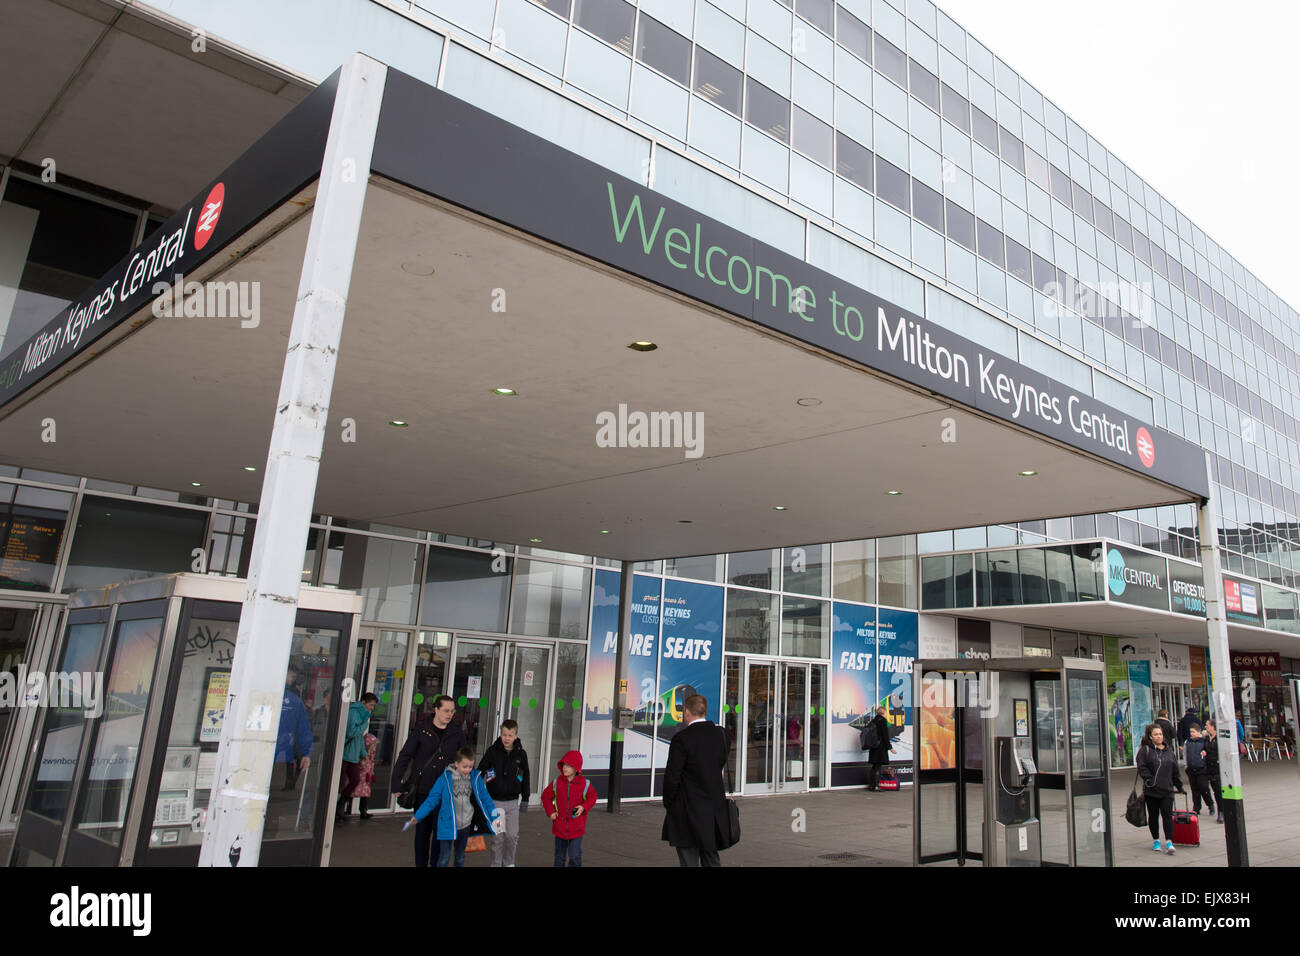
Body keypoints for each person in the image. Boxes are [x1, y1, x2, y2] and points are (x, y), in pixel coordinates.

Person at [392, 695, 465, 867]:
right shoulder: (422, 730)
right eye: (446, 710)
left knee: (440, 833)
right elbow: (405, 756)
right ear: (436, 710)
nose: (449, 714)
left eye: (452, 711)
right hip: (423, 791)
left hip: (446, 791)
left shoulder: (456, 733)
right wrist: (397, 784)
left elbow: (464, 759)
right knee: (422, 833)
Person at [661, 693, 731, 867]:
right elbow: (718, 764)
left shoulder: (681, 739)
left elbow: (672, 777)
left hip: (687, 810)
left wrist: (669, 803)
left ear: (686, 712)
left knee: (688, 858)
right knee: (711, 857)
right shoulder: (722, 735)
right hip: (714, 809)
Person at [402, 747, 499, 867]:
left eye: (470, 766)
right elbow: (431, 800)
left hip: (465, 825)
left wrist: (494, 814)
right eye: (464, 766)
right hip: (447, 825)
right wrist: (418, 816)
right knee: (444, 857)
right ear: (456, 764)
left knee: (460, 857)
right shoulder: (444, 779)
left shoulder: (475, 778)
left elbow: (485, 798)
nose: (467, 770)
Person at [478, 718, 531, 867]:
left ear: (516, 736)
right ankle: (495, 864)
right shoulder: (492, 751)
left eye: (510, 735)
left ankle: (509, 863)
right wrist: (475, 789)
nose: (506, 738)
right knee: (497, 837)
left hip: (513, 803)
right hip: (496, 802)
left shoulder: (521, 754)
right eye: (504, 734)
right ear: (500, 734)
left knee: (512, 836)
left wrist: (525, 798)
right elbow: (481, 770)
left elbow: (526, 776)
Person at [541, 750, 597, 867]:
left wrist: (583, 807)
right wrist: (550, 812)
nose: (565, 768)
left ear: (576, 768)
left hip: (577, 828)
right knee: (559, 857)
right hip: (559, 827)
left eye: (569, 766)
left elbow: (592, 797)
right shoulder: (557, 782)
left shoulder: (584, 784)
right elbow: (545, 797)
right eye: (564, 765)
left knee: (574, 855)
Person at [1136, 723, 1185, 854]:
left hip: (1167, 790)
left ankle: (1169, 841)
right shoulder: (1145, 750)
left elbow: (1175, 770)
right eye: (1156, 734)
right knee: (1153, 816)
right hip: (1152, 791)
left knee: (1167, 816)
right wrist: (1149, 779)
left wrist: (1179, 786)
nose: (1159, 737)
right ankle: (1156, 840)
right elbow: (1141, 766)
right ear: (1150, 737)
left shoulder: (1169, 750)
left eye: (1161, 734)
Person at [338, 692, 378, 821]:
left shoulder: (363, 715)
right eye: (370, 705)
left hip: (354, 755)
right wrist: (364, 725)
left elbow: (359, 738)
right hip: (345, 754)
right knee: (340, 783)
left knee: (355, 780)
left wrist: (364, 754)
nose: (371, 708)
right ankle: (335, 809)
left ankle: (340, 806)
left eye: (373, 706)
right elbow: (351, 732)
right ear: (363, 702)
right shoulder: (354, 713)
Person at [1183, 723, 1215, 817]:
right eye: (1191, 732)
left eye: (1193, 732)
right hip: (1191, 768)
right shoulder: (1187, 742)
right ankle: (1196, 808)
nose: (1191, 734)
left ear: (1199, 732)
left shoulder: (1204, 741)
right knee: (1194, 789)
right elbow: (1185, 754)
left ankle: (1210, 805)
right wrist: (1186, 765)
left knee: (1204, 787)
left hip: (1201, 768)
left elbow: (1208, 753)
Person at [865, 706, 895, 791]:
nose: (886, 714)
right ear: (883, 713)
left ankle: (872, 785)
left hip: (873, 747)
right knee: (878, 766)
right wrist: (890, 748)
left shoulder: (873, 721)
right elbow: (885, 736)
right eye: (886, 713)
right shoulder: (882, 721)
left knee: (874, 766)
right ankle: (876, 786)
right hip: (880, 747)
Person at [354, 730, 379, 820]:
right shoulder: (365, 756)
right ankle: (342, 809)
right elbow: (361, 765)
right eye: (373, 746)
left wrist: (371, 774)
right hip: (361, 779)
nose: (374, 748)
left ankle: (363, 810)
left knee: (364, 795)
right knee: (354, 792)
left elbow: (370, 766)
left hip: (365, 780)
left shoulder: (371, 756)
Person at [1204, 720, 1223, 824]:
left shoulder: (1219, 739)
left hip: (1217, 768)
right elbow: (1204, 749)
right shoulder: (1206, 738)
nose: (1205, 727)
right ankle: (1218, 808)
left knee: (1219, 791)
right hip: (1209, 768)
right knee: (1214, 790)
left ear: (1212, 727)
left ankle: (1221, 811)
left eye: (1207, 725)